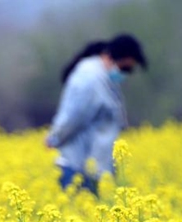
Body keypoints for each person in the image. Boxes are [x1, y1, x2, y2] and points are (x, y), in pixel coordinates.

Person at [45, 33, 147, 195]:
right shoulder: (90, 78)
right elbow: (74, 117)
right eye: (125, 68)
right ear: (111, 57)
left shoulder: (104, 79)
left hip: (94, 168)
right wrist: (55, 138)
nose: (125, 74)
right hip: (78, 166)